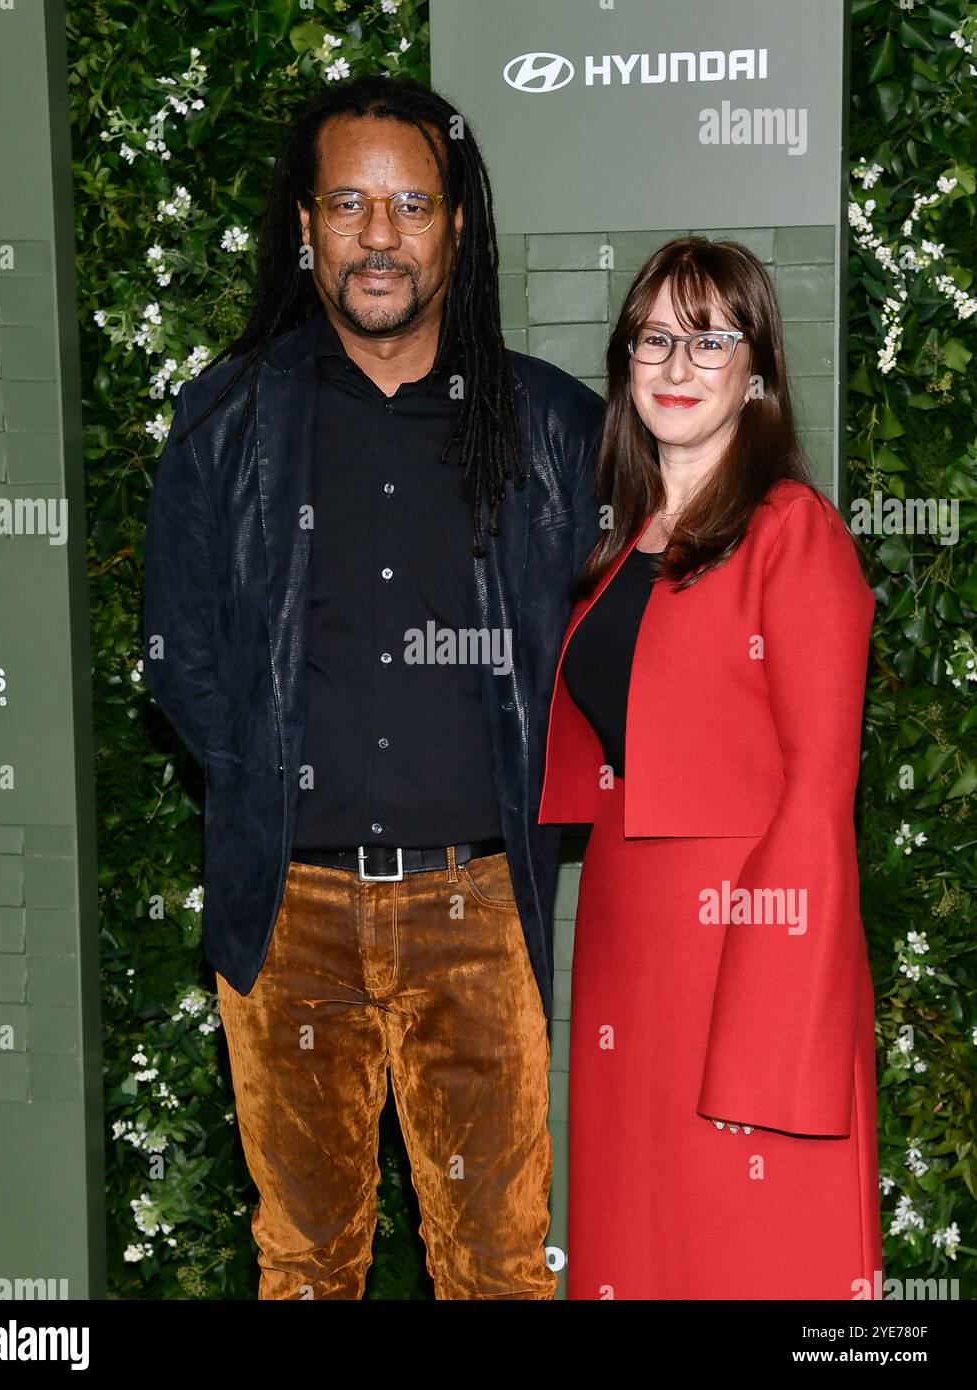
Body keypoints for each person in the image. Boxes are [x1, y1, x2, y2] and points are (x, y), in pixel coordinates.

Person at [143, 75, 604, 1299]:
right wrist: (265, 782)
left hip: (479, 913)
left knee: (499, 1267)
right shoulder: (225, 423)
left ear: (457, 224)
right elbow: (179, 655)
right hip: (288, 917)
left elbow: (631, 640)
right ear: (306, 226)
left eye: (411, 204)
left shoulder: (553, 428)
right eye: (350, 204)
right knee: (303, 1266)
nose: (380, 235)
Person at [538, 236, 882, 1299]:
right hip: (628, 943)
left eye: (708, 338)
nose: (676, 366)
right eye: (654, 338)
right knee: (639, 1248)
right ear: (624, 361)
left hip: (750, 950)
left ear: (757, 369)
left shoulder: (794, 533)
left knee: (753, 1250)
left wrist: (767, 1042)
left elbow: (819, 800)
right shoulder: (619, 547)